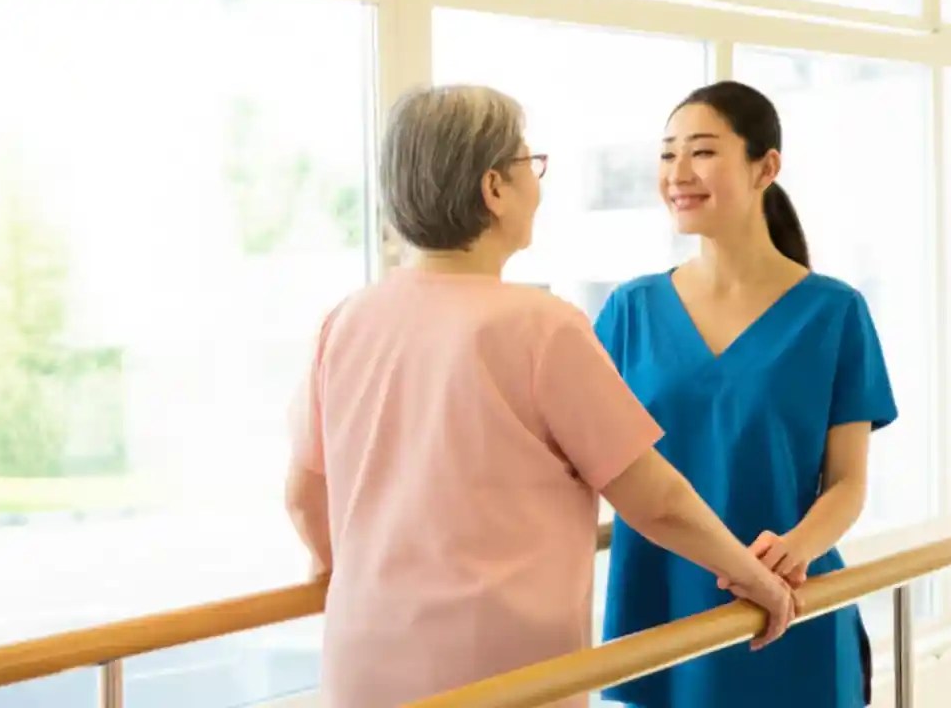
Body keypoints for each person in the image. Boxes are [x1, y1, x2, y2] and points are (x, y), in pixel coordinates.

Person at [284, 84, 798, 708]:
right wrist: (755, 579)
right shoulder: (540, 326)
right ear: (494, 188)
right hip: (504, 672)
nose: (539, 184)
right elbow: (653, 498)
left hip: (362, 668)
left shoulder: (346, 320)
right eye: (531, 164)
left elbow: (306, 495)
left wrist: (333, 567)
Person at [597, 80, 899, 708]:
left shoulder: (834, 312)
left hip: (791, 604)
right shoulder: (630, 311)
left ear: (767, 167)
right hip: (666, 604)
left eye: (702, 152)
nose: (678, 173)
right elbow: (576, 456)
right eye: (666, 154)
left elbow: (848, 483)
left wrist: (794, 551)